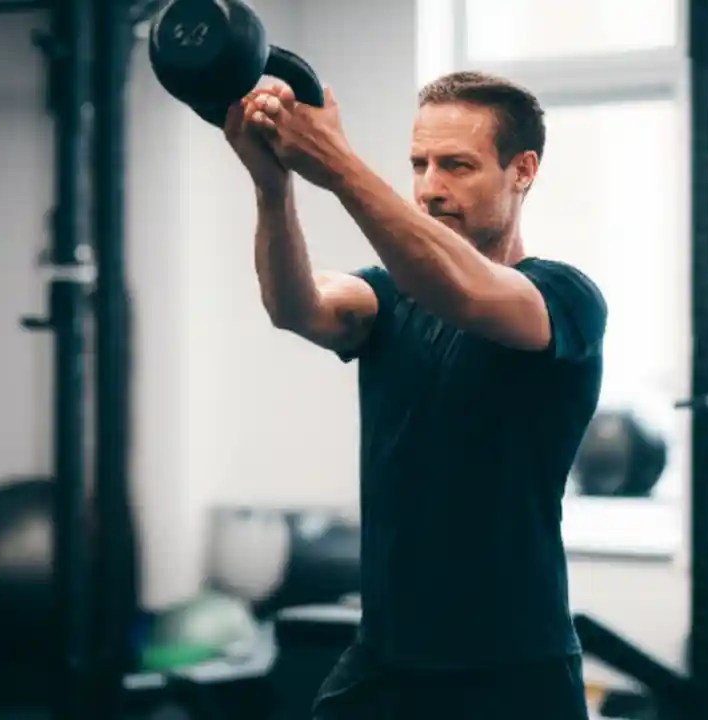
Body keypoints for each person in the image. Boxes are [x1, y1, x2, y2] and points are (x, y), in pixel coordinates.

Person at [224, 71, 607, 720]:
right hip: (385, 660)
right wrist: (272, 185)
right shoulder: (390, 296)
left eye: (456, 165)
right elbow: (294, 306)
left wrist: (339, 163)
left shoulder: (563, 297)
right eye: (420, 164)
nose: (431, 187)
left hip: (510, 667)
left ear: (523, 170)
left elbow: (465, 293)